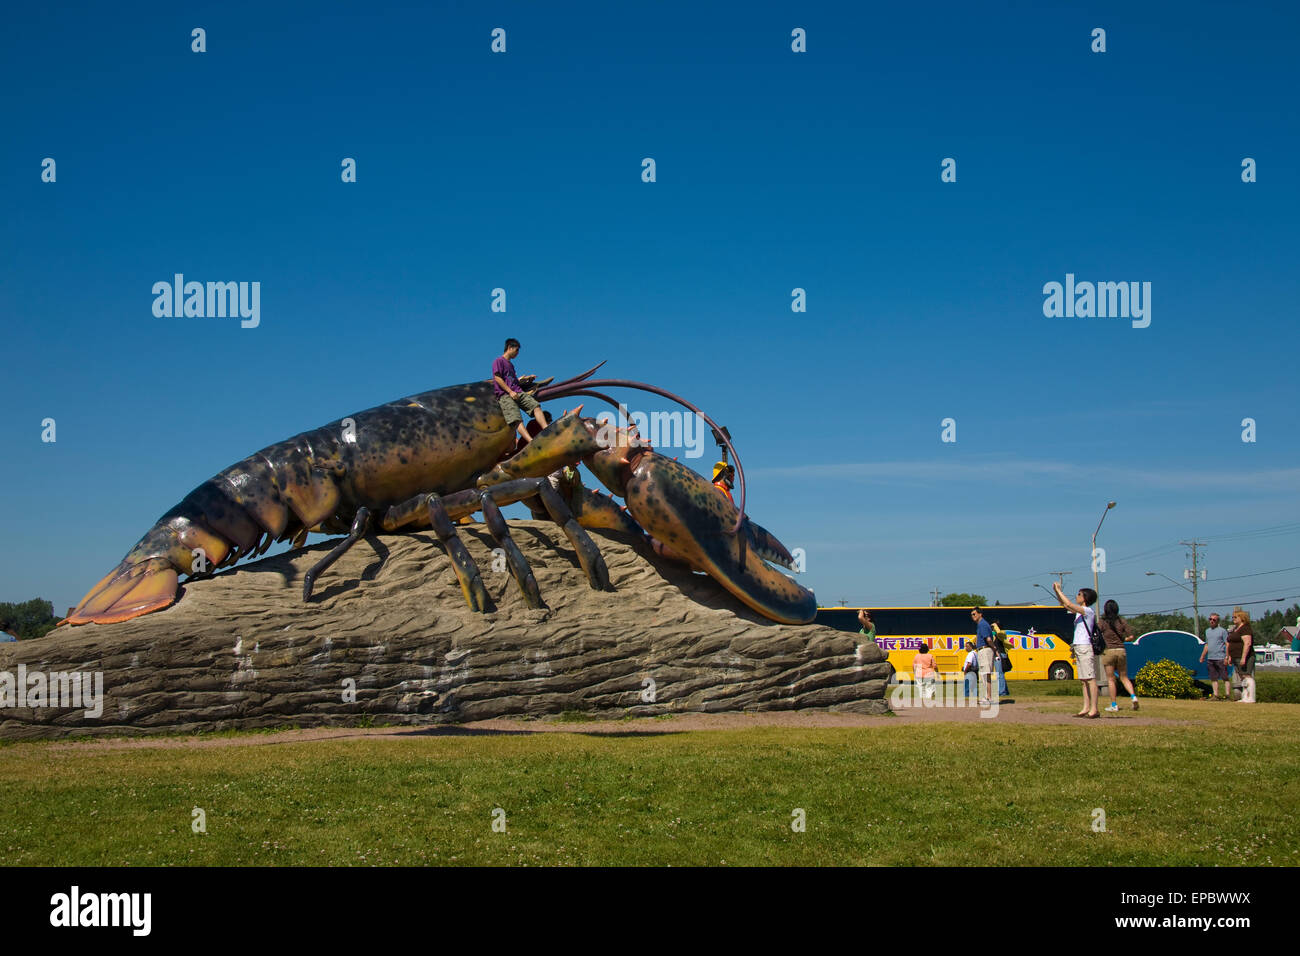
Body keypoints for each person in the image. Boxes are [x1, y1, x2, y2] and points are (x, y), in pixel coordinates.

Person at [1053, 581, 1101, 718]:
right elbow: (1063, 605)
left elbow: (1068, 604)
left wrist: (1059, 590)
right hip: (1078, 647)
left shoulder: (1088, 611)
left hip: (1085, 647)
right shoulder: (1079, 612)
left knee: (1090, 678)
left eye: (1079, 594)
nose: (1077, 596)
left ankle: (1094, 708)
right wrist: (1057, 591)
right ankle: (1086, 707)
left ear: (1085, 598)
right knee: (1083, 679)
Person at [492, 338, 547, 444]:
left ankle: (546, 429)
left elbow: (513, 381)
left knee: (535, 406)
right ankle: (531, 441)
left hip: (518, 391)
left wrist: (528, 379)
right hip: (505, 395)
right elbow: (497, 378)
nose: (517, 353)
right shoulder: (498, 361)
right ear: (510, 348)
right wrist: (509, 391)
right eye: (516, 350)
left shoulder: (511, 365)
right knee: (516, 419)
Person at [1098, 599, 1139, 711]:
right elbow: (1131, 636)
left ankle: (1114, 704)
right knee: (1124, 677)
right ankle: (1133, 697)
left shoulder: (1102, 622)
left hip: (1109, 651)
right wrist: (1124, 639)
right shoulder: (1121, 621)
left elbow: (1096, 633)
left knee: (1111, 679)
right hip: (1121, 651)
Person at [1226, 607, 1255, 703]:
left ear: (1242, 618)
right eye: (1232, 617)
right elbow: (1230, 643)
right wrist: (1229, 656)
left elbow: (1247, 643)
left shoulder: (1245, 628)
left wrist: (1243, 658)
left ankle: (1251, 697)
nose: (1233, 619)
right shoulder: (1235, 629)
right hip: (1235, 657)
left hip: (1245, 657)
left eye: (1235, 617)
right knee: (1242, 677)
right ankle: (1245, 697)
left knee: (1247, 675)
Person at [1200, 612, 1230, 700]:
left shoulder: (1222, 631)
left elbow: (1227, 644)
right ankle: (1216, 695)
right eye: (1210, 619)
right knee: (1213, 678)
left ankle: (1227, 695)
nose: (1212, 621)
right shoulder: (1207, 631)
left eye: (1214, 620)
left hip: (1220, 657)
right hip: (1210, 658)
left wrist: (1227, 657)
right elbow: (1207, 645)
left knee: (1225, 677)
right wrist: (1202, 656)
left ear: (1217, 621)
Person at [970, 607, 996, 705]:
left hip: (985, 650)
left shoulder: (983, 624)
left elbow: (988, 639)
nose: (973, 616)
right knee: (984, 674)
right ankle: (987, 696)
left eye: (974, 614)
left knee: (986, 674)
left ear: (980, 614)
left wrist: (994, 648)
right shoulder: (981, 624)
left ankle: (989, 697)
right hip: (982, 650)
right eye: (972, 614)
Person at [991, 621, 1010, 697]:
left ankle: (1002, 692)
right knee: (1000, 674)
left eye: (994, 627)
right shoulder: (995, 636)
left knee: (999, 674)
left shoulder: (1001, 634)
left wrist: (995, 627)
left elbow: (999, 633)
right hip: (998, 655)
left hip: (1000, 655)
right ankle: (1005, 691)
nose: (992, 629)